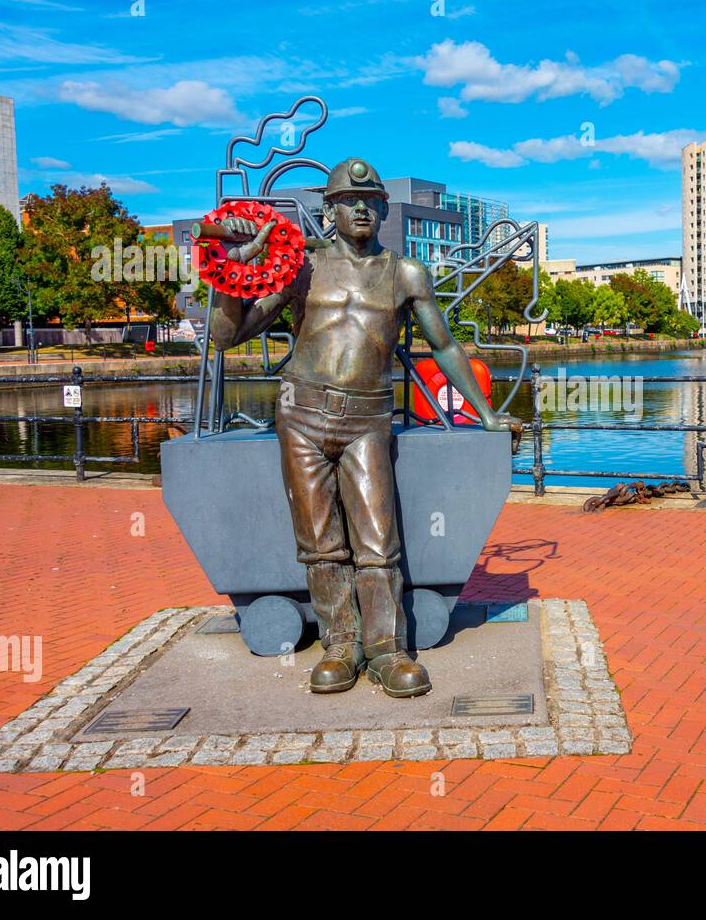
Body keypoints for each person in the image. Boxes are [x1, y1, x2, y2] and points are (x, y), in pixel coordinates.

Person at [210, 158, 521, 697]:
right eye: (347, 201)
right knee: (319, 542)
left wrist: (488, 415)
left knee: (378, 540)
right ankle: (339, 644)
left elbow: (443, 345)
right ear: (329, 211)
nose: (359, 208)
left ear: (381, 210)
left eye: (369, 200)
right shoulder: (298, 266)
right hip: (302, 415)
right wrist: (231, 275)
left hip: (367, 419)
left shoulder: (404, 273)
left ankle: (385, 650)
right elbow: (225, 337)